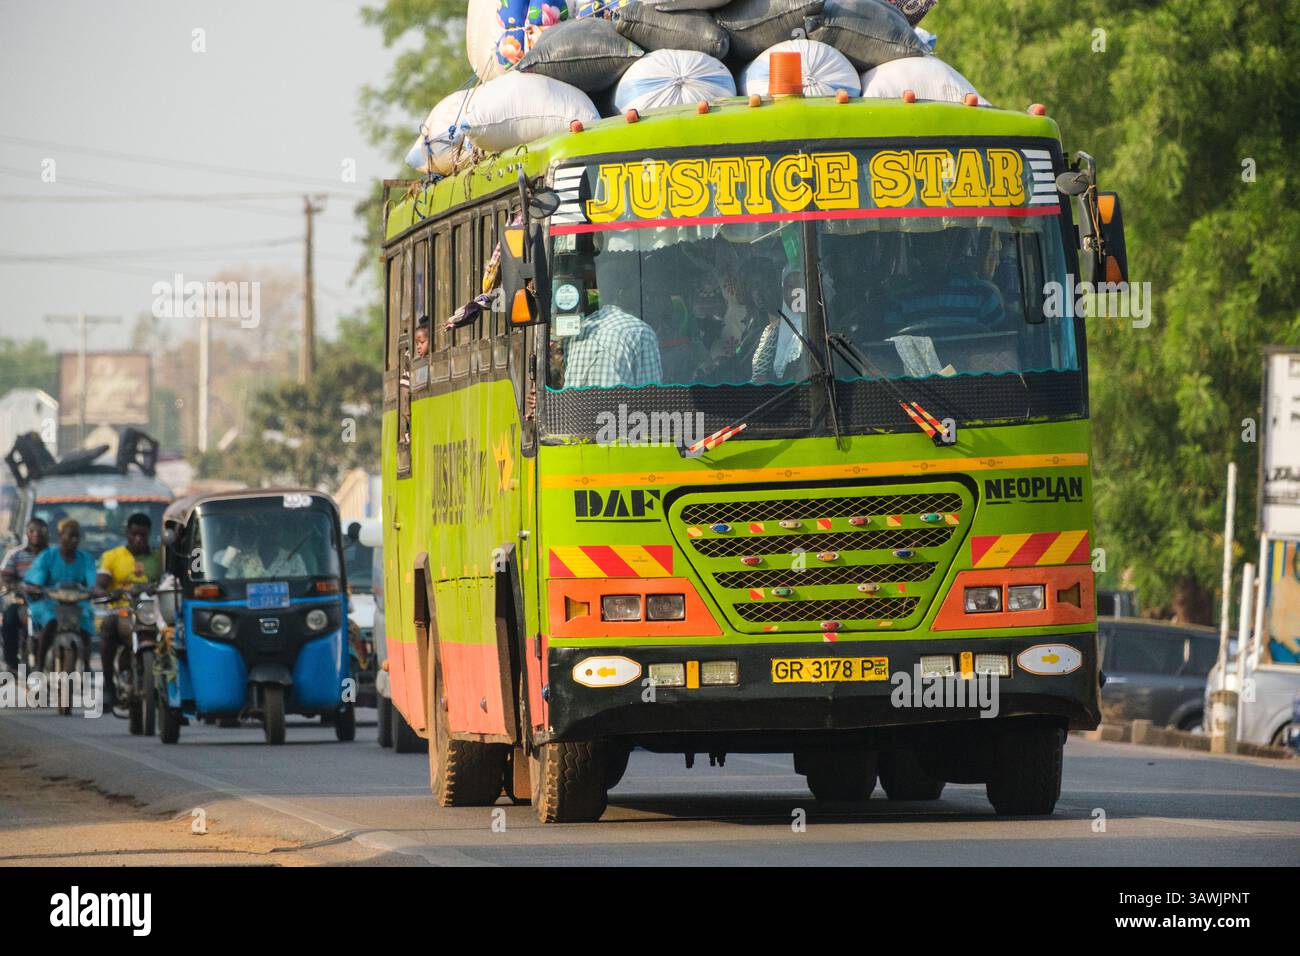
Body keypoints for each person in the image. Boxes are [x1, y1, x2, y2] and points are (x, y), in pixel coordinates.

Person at [560, 254, 662, 388]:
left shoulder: (578, 331)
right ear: (622, 292)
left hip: (574, 408)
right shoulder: (640, 332)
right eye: (637, 287)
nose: (642, 294)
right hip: (620, 409)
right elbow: (652, 397)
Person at [96, 513, 162, 708]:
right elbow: (100, 585)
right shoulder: (112, 556)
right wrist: (111, 592)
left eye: (143, 534)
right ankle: (108, 685)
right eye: (134, 534)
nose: (138, 539)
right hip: (122, 610)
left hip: (152, 611)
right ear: (127, 533)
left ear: (149, 534)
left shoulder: (159, 558)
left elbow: (169, 579)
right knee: (108, 627)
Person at [22, 518, 99, 672]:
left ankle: (86, 662)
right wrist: (35, 588)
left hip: (77, 603)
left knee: (85, 625)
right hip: (50, 602)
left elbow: (92, 582)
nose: (74, 540)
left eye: (77, 536)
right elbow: (37, 580)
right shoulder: (47, 556)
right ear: (60, 536)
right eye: (70, 536)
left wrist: (95, 590)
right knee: (51, 622)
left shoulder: (86, 558)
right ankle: (40, 663)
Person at [1, 518, 49, 670]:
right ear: (27, 533)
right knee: (8, 620)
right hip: (23, 600)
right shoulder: (15, 555)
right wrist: (12, 585)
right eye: (32, 531)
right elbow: (5, 576)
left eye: (41, 531)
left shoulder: (53, 554)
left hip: (48, 601)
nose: (36, 534)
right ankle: (11, 663)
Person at [213, 515, 309, 579]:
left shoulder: (294, 559)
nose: (273, 531)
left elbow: (300, 587)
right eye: (270, 526)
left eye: (277, 526)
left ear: (282, 531)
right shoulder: (240, 559)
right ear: (261, 530)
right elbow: (230, 586)